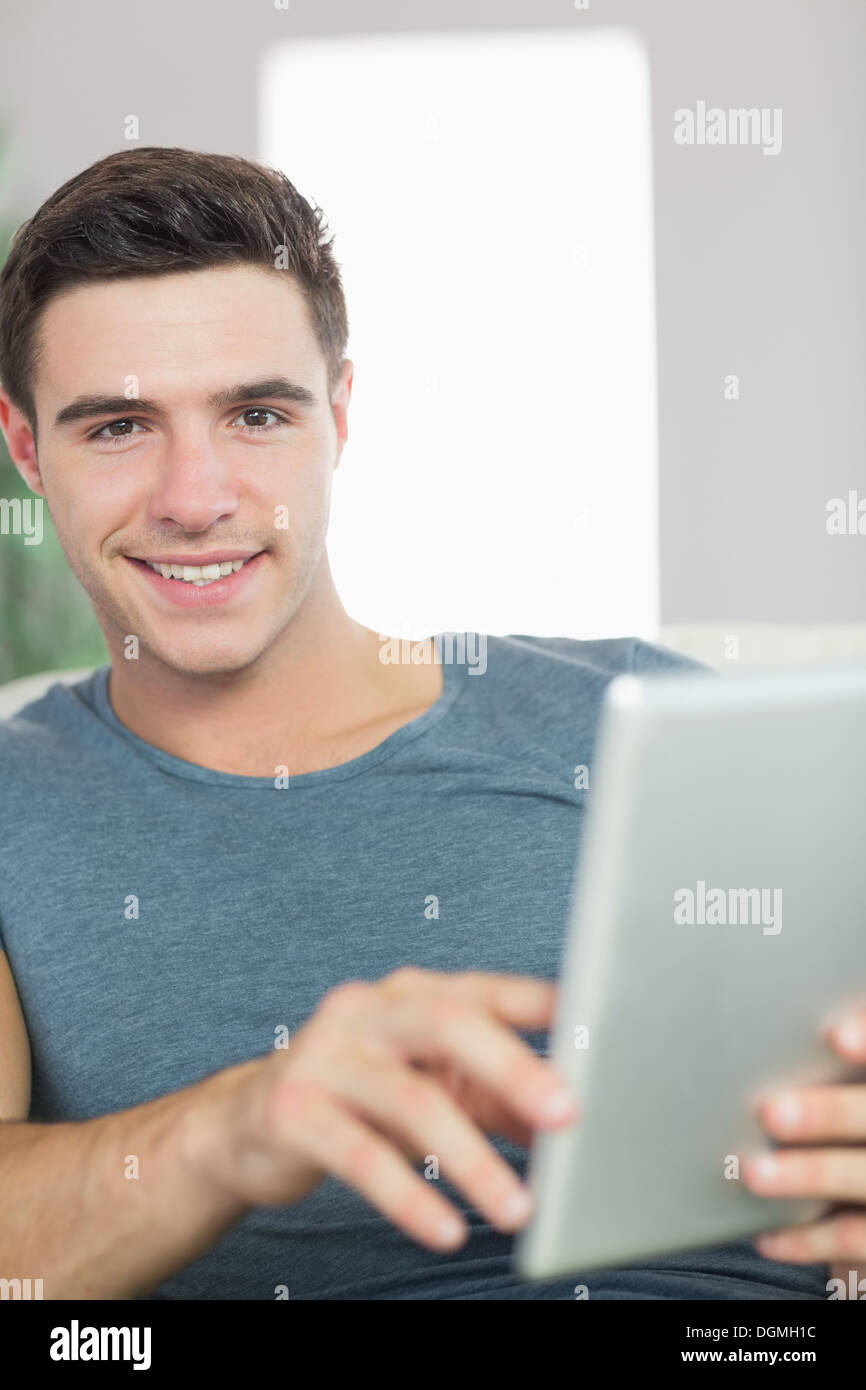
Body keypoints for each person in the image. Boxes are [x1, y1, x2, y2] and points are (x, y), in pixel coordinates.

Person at [0, 148, 862, 1301]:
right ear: (25, 450)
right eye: (116, 427)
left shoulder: (644, 721)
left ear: (339, 416)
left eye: (257, 414)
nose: (194, 497)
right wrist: (237, 1125)